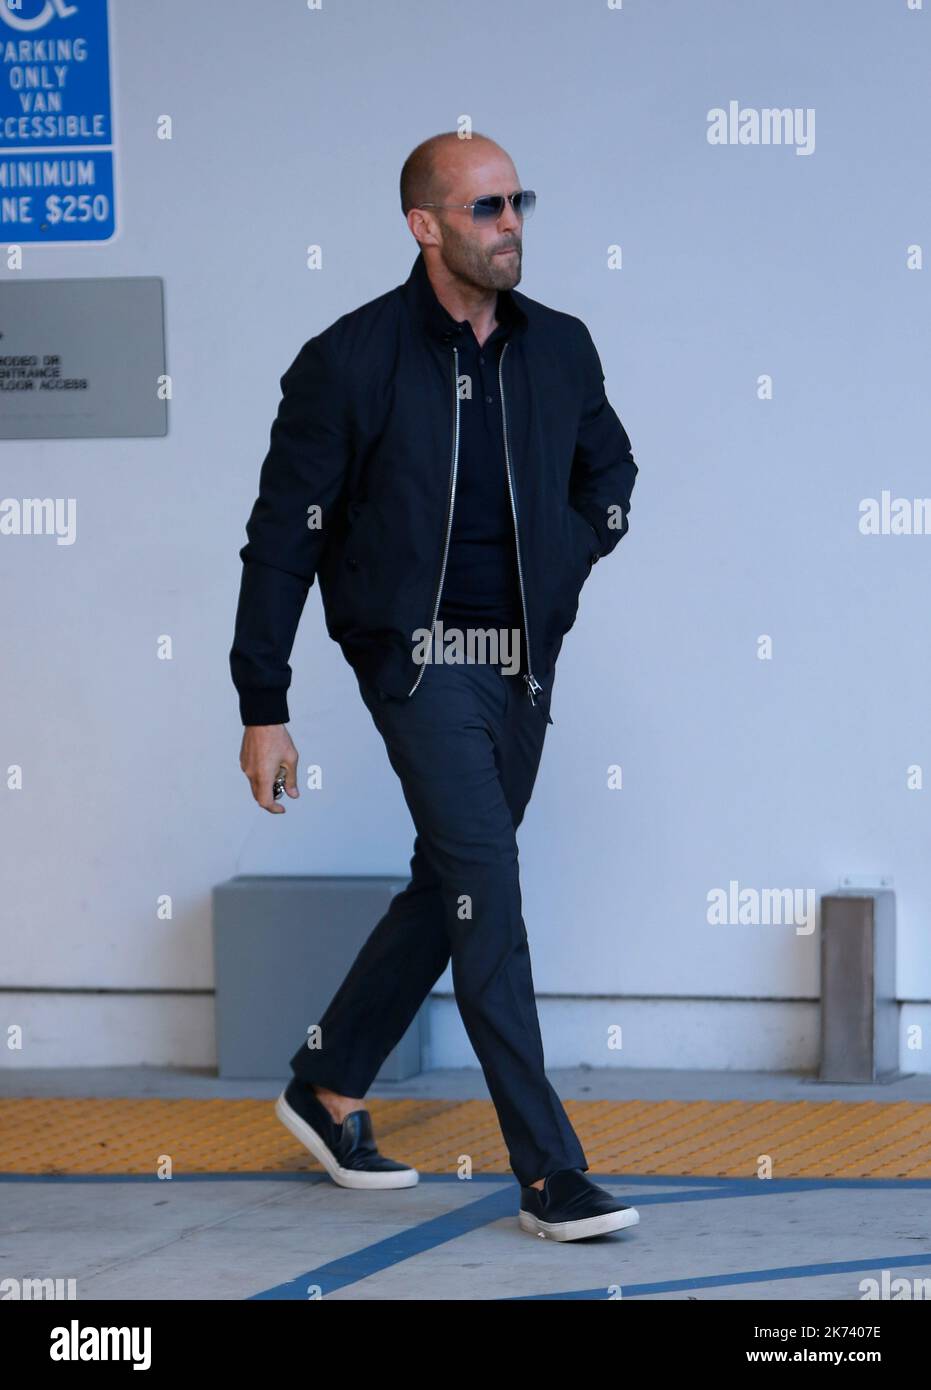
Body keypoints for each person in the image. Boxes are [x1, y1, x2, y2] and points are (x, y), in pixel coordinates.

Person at [229, 131, 640, 1241]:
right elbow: (281, 541)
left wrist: (568, 552)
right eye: (486, 206)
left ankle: (326, 1080)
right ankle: (549, 1172)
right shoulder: (349, 361)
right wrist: (262, 701)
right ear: (426, 226)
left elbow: (612, 472)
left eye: (519, 202)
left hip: (519, 664)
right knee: (488, 887)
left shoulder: (559, 348)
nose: (512, 223)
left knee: (449, 881)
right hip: (417, 664)